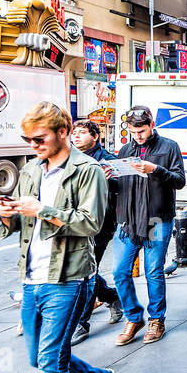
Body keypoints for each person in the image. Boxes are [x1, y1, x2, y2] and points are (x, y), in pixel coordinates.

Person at [0, 102, 113, 373]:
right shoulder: (30, 169)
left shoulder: (87, 170)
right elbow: (21, 225)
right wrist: (8, 215)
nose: (33, 145)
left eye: (40, 138)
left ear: (62, 132)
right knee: (38, 357)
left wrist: (42, 209)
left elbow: (92, 223)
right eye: (27, 139)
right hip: (32, 278)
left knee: (51, 362)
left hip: (69, 277)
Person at [107, 105, 187, 346]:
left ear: (152, 125)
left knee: (153, 272)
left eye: (141, 130)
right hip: (128, 220)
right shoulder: (126, 149)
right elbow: (120, 186)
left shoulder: (169, 147)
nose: (137, 136)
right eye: (133, 131)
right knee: (120, 271)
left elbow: (180, 181)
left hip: (155, 218)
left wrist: (156, 170)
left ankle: (156, 319)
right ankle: (133, 317)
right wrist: (109, 178)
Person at [69, 120, 122, 344]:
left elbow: (122, 187)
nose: (77, 137)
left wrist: (110, 181)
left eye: (82, 133)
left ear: (95, 137)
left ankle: (81, 323)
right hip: (74, 221)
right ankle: (112, 297)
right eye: (75, 133)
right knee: (83, 270)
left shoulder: (107, 160)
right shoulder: (68, 158)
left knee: (86, 273)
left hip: (100, 222)